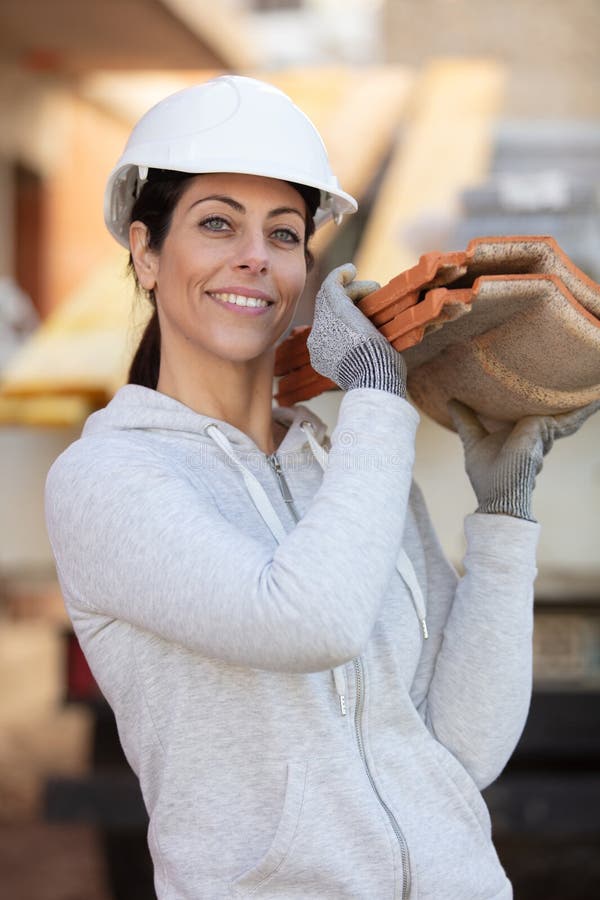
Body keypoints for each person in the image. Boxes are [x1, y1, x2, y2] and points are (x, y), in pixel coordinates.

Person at [44, 75, 598, 900]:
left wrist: (503, 521)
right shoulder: (108, 480)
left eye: (284, 233)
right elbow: (310, 621)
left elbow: (464, 746)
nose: (255, 259)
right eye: (217, 224)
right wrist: (378, 394)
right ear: (146, 250)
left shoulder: (345, 466)